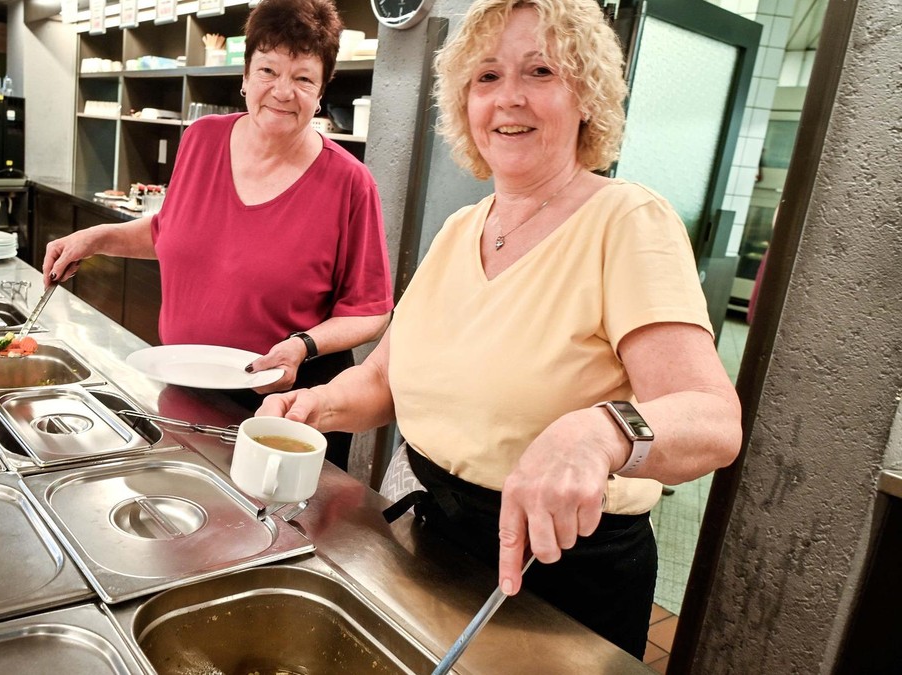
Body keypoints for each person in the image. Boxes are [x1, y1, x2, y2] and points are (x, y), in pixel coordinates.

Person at [257, 0, 741, 659]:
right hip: (432, 548)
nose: (509, 97)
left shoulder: (627, 221)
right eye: (486, 76)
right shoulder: (462, 228)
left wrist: (603, 432)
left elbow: (713, 420)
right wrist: (313, 406)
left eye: (540, 71)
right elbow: (383, 378)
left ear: (586, 95)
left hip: (559, 577)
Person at [42, 0, 394, 471]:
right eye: (268, 70)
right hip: (185, 387)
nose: (283, 91)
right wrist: (96, 238)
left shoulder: (349, 183)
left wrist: (302, 345)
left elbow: (370, 311)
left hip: (285, 409)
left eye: (303, 78)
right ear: (245, 76)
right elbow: (175, 233)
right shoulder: (201, 139)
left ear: (321, 90)